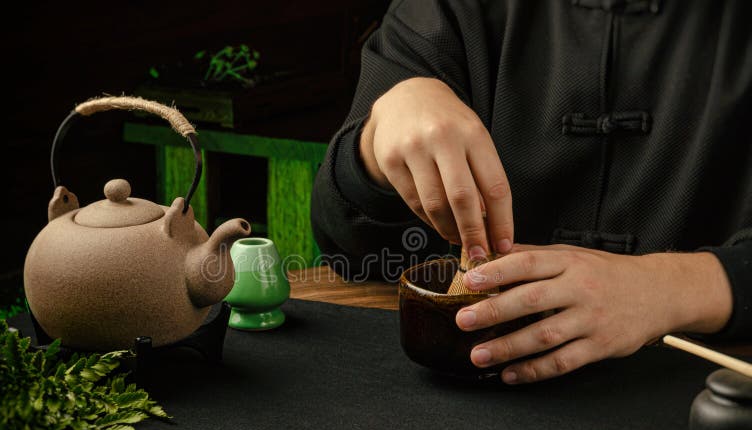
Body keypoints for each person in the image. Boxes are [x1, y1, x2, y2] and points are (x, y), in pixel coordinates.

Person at [311, 0, 751, 384]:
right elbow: (351, 250)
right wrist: (375, 143)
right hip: (461, 399)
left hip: (699, 390)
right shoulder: (444, 11)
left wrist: (670, 290)